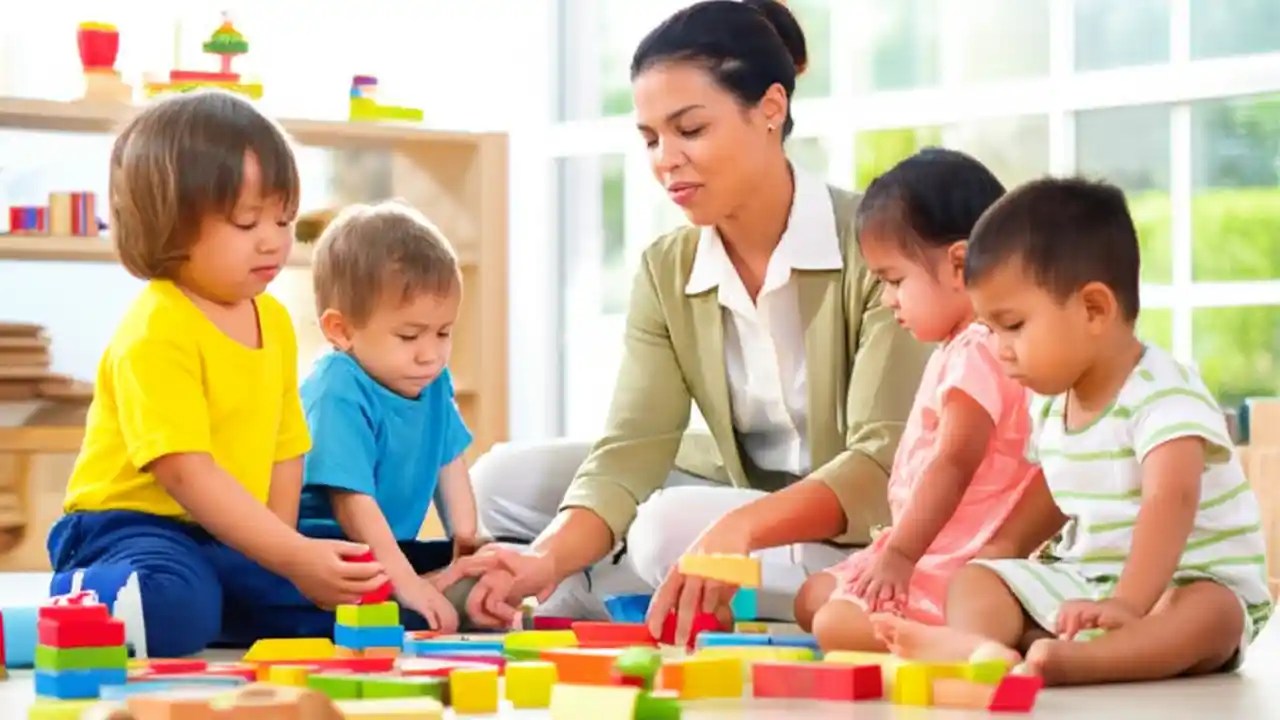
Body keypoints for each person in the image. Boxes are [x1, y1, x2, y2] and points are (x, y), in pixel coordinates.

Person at [453, 0, 932, 645]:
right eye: (651, 138)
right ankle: (583, 581)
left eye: (690, 130)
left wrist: (738, 530)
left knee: (663, 525)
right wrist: (544, 554)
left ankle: (630, 583)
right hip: (731, 495)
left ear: (770, 109)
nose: (665, 160)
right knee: (501, 480)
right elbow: (632, 445)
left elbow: (879, 465)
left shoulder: (875, 246)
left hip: (858, 519)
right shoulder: (667, 267)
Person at [871, 177, 1274, 686]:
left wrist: (1131, 601)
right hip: (1089, 578)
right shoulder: (1051, 403)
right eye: (990, 331)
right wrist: (1005, 548)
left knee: (1208, 615)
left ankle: (1080, 662)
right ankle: (982, 649)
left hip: (1186, 579)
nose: (1000, 350)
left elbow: (1170, 499)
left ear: (1094, 309)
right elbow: (1054, 491)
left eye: (1012, 326)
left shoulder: (1163, 391)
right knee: (977, 579)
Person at [45, 90, 386, 658]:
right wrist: (286, 557)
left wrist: (281, 553)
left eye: (283, 217)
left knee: (347, 596)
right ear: (170, 226)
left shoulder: (272, 320)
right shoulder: (157, 327)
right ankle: (77, 597)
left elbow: (285, 447)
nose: (273, 239)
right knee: (175, 606)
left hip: (222, 533)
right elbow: (186, 473)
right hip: (127, 527)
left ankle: (224, 602)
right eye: (247, 220)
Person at [797, 149, 1051, 652]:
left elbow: (954, 462)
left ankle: (955, 638)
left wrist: (901, 555)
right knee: (811, 598)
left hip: (954, 557)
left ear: (959, 265)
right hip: (927, 548)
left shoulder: (979, 351)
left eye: (895, 280)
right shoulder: (962, 348)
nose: (890, 299)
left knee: (830, 624)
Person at [291, 201, 481, 634]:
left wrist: (467, 555)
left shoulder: (431, 381)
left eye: (443, 333)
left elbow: (450, 466)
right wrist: (410, 584)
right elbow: (351, 503)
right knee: (407, 612)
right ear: (341, 330)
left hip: (388, 549)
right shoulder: (337, 386)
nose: (430, 353)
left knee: (491, 570)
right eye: (409, 335)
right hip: (331, 556)